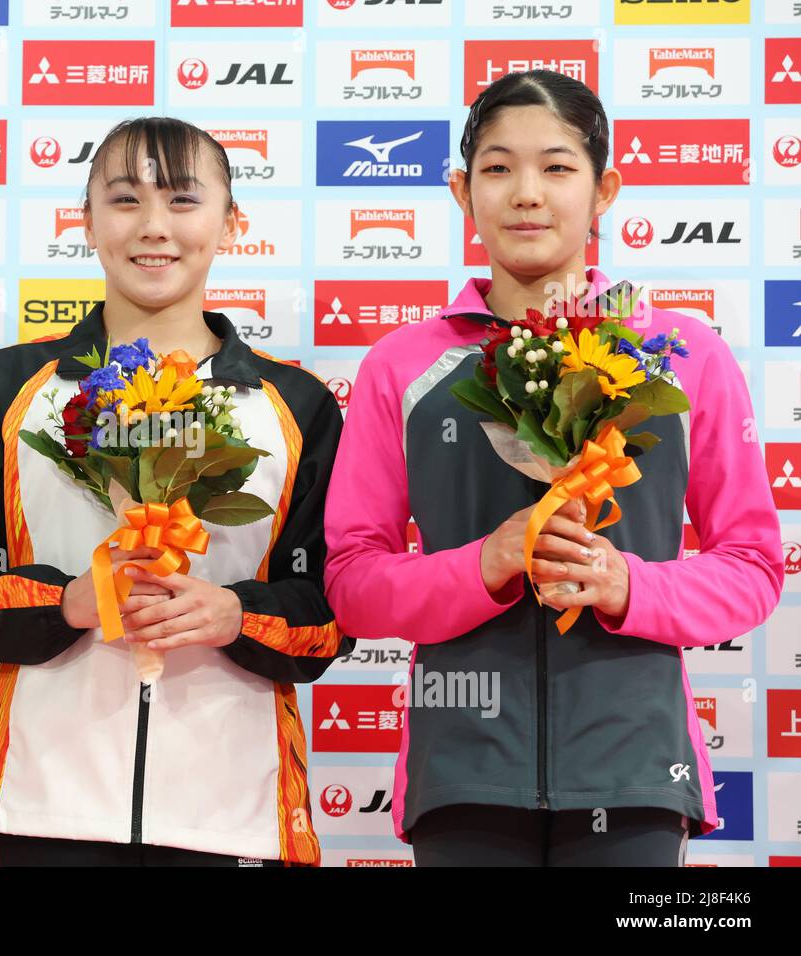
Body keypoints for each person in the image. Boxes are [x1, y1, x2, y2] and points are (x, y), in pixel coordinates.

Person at [324, 71, 784, 866]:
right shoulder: (403, 366)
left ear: (604, 189)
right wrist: (484, 566)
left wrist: (628, 584)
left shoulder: (683, 357)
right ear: (462, 192)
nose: (527, 194)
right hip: (462, 771)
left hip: (637, 769)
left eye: (558, 167)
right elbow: (353, 582)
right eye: (499, 169)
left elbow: (753, 567)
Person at [0, 116, 350, 866]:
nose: (154, 227)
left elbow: (332, 613)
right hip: (47, 808)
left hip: (234, 814)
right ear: (84, 220)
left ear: (230, 223)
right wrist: (68, 604)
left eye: (183, 200)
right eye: (124, 200)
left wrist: (234, 613)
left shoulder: (297, 404)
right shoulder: (7, 388)